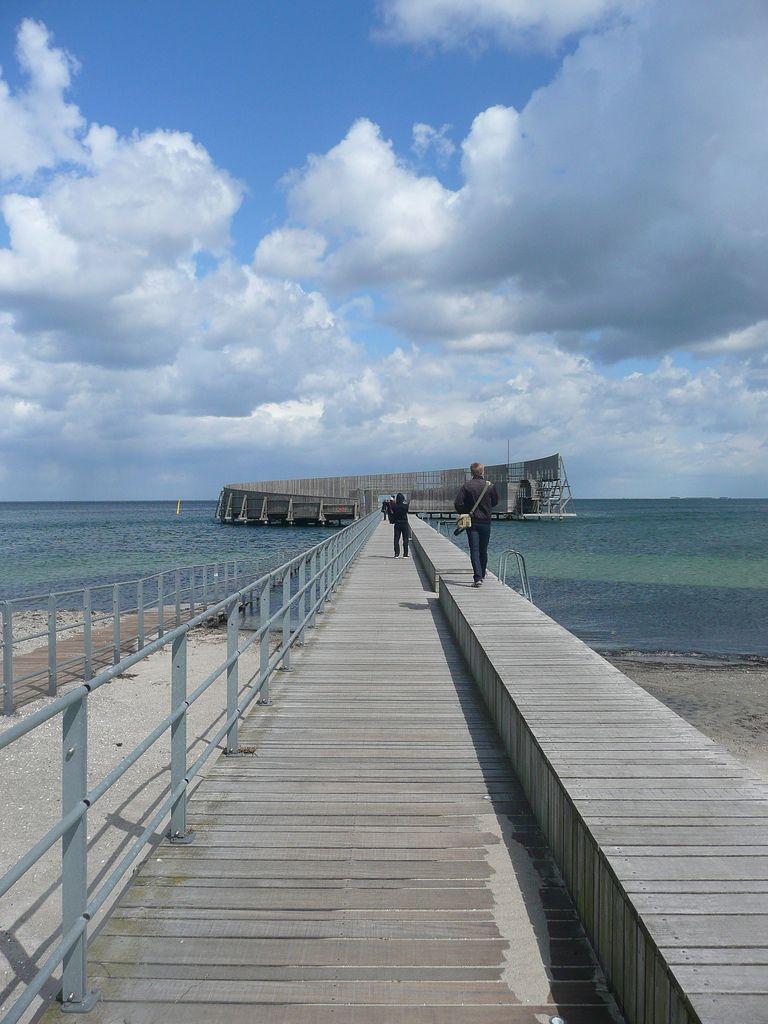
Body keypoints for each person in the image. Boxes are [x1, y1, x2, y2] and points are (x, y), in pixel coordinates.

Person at [454, 462, 499, 586]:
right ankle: (483, 574)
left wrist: (466, 511)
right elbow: (495, 502)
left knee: (474, 550)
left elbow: (458, 504)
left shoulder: (467, 486)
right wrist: (486, 508)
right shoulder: (489, 486)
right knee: (483, 550)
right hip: (486, 521)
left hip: (472, 522)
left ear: (471, 472)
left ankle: (477, 577)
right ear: (482, 472)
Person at [390, 492, 410, 557]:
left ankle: (396, 554)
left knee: (396, 539)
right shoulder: (405, 506)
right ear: (403, 499)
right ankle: (405, 554)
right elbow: (407, 504)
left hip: (397, 523)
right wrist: (404, 501)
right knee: (405, 539)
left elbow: (391, 503)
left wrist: (393, 500)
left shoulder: (394, 506)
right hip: (404, 524)